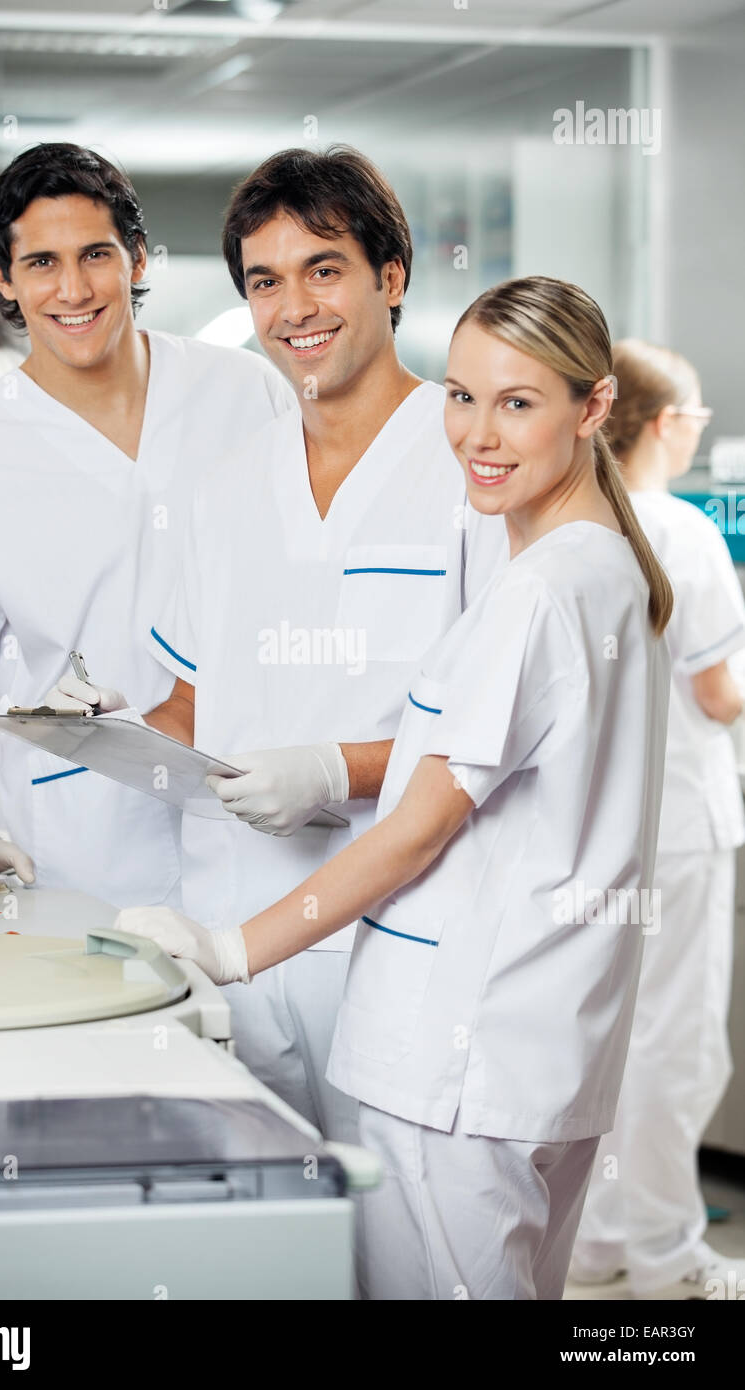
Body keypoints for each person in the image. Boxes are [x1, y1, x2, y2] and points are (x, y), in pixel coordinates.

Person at [114, 276, 673, 1300]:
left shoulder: (534, 596)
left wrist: (229, 947)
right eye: (459, 397)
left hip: (454, 1065)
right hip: (545, 1057)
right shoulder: (606, 572)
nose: (474, 434)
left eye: (516, 402)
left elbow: (413, 831)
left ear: (591, 408)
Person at [58, 146, 504, 1149]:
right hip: (233, 937)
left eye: (323, 269)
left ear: (390, 278)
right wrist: (98, 729)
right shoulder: (223, 486)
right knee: (272, 1251)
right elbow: (192, 703)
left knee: (413, 1263)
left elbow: (507, 740)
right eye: (264, 281)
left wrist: (335, 769)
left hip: (407, 936)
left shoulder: (475, 462)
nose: (292, 306)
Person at [0, 142, 293, 904]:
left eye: (96, 254)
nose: (73, 289)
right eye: (41, 263)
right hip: (88, 861)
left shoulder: (246, 391)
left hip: (271, 829)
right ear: (5, 279)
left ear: (136, 259)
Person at [571, 340, 745, 1299]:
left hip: (600, 835)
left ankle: (598, 1244)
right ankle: (671, 1259)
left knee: (607, 1041)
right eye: (696, 419)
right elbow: (718, 694)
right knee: (679, 1046)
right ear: (665, 425)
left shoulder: (584, 519)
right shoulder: (681, 529)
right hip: (679, 826)